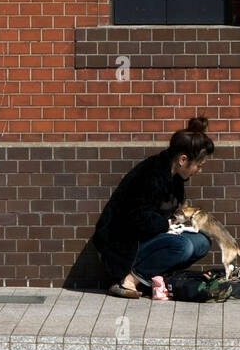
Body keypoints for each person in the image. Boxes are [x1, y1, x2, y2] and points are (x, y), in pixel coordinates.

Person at [92, 115, 214, 300]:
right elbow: (135, 217)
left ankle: (154, 277)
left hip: (148, 238)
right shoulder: (151, 175)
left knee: (202, 242)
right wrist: (166, 225)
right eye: (198, 165)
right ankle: (128, 280)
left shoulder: (175, 178)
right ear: (182, 160)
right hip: (121, 245)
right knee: (183, 247)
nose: (199, 170)